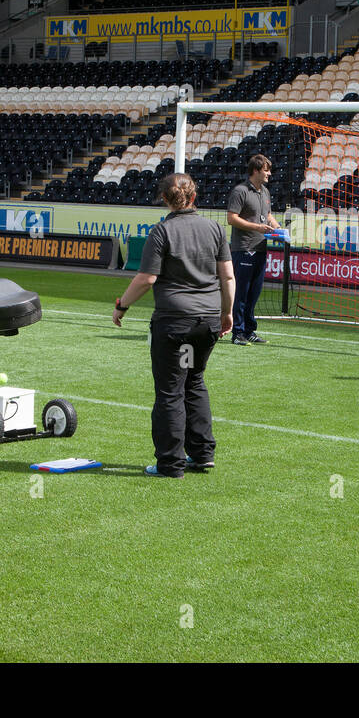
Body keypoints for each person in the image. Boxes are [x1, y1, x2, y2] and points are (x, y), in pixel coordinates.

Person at [113, 173, 234, 478]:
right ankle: (203, 454)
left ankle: (170, 463)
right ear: (194, 197)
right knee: (194, 383)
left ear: (165, 200)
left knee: (170, 391)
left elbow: (147, 279)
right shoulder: (215, 228)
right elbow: (228, 277)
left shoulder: (162, 231)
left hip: (175, 324)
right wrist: (227, 313)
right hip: (205, 322)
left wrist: (121, 306)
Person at [225, 153, 281, 346]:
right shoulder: (240, 191)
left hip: (260, 248)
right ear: (256, 170)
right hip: (244, 249)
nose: (269, 174)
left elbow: (268, 215)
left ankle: (249, 331)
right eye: (266, 170)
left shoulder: (265, 192)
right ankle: (237, 333)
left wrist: (279, 229)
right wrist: (257, 227)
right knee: (241, 293)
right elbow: (231, 218)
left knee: (254, 294)